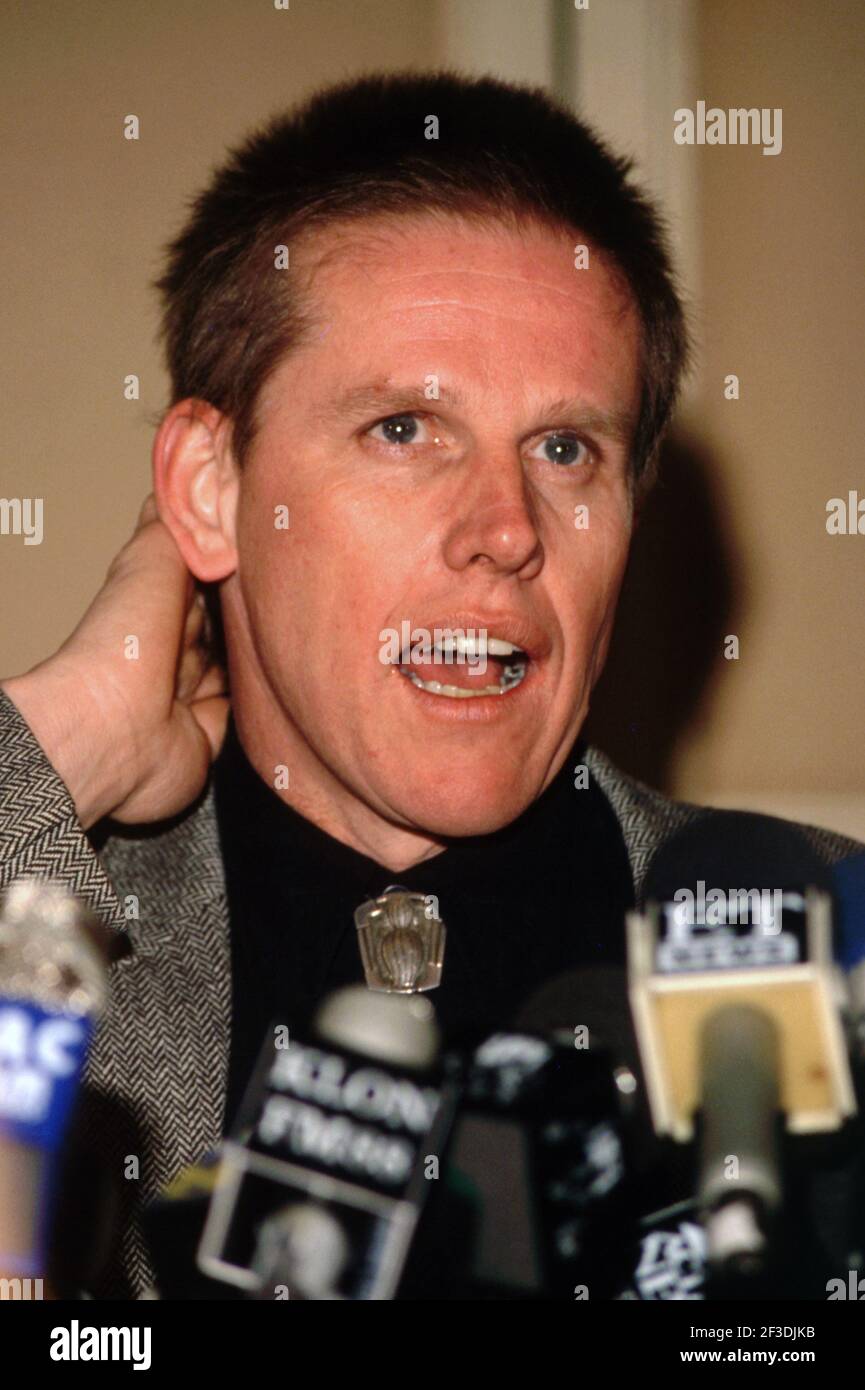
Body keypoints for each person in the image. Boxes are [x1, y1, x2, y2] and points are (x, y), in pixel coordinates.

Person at [0, 71, 859, 1299]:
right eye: (404, 429)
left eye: (565, 449)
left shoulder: (818, 942)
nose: (506, 529)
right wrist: (64, 731)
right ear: (210, 486)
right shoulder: (36, 966)